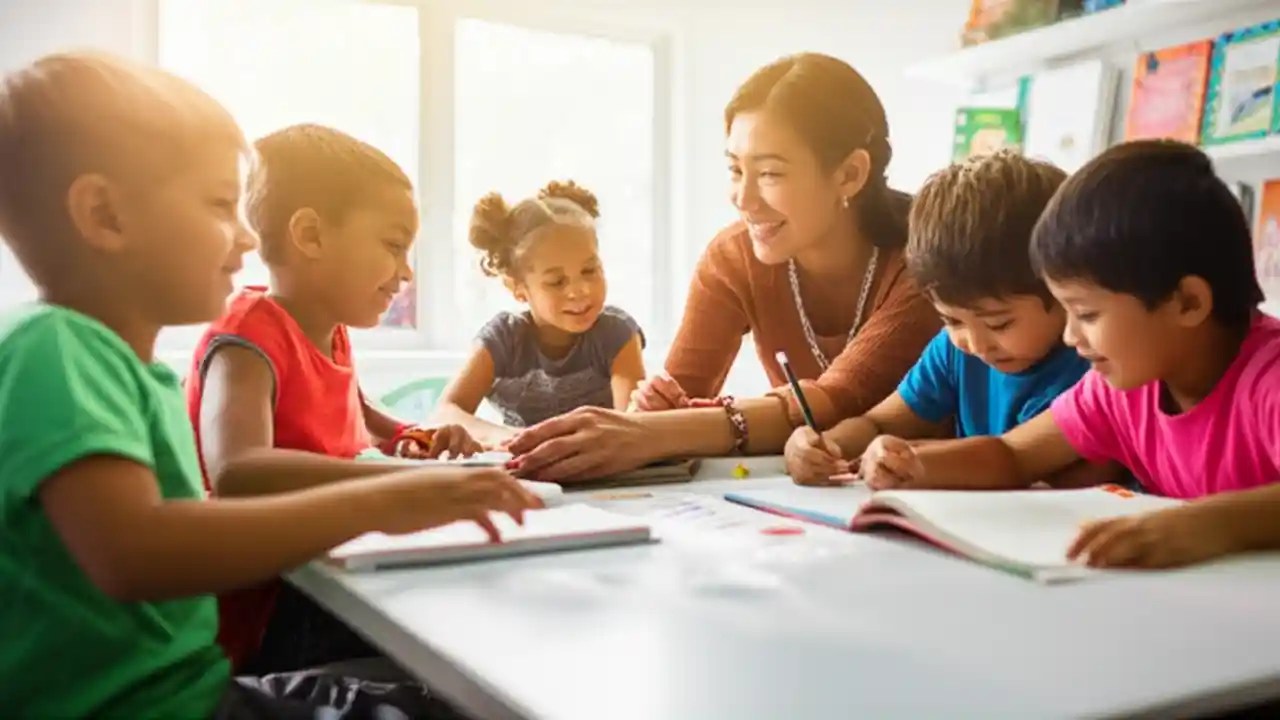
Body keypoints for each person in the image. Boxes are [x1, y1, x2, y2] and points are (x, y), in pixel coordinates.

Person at [0, 52, 539, 718]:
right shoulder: (55, 348)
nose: (249, 235)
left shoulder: (118, 365)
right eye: (221, 206)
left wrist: (410, 462)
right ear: (105, 215)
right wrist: (386, 498)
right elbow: (134, 551)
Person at [507, 52, 939, 482]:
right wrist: (654, 412)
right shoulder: (735, 256)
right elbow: (680, 392)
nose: (743, 199)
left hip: (930, 493)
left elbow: (837, 400)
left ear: (849, 174)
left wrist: (648, 433)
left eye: (770, 173)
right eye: (735, 169)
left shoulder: (930, 257)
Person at [860, 140, 1280, 570]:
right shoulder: (1120, 390)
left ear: (1187, 303)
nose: (1070, 335)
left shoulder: (1269, 378)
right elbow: (1012, 455)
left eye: (1086, 313)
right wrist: (914, 464)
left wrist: (1204, 526)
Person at [187, 123, 484, 673]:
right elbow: (238, 470)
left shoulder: (331, 331)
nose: (406, 273)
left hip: (318, 572)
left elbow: (364, 419)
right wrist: (416, 483)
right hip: (267, 612)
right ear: (311, 235)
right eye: (393, 246)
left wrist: (414, 438)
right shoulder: (248, 333)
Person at [786, 152, 1102, 487]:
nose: (976, 345)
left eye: (999, 324)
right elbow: (877, 423)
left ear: (1062, 292)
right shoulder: (954, 353)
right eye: (952, 321)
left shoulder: (1096, 370)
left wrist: (913, 461)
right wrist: (825, 447)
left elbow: (1049, 476)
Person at [431, 181, 646, 447]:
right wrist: (513, 439)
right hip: (526, 467)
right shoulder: (504, 338)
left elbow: (633, 425)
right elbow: (446, 412)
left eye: (590, 270)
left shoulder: (616, 333)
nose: (580, 291)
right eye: (557, 282)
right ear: (518, 288)